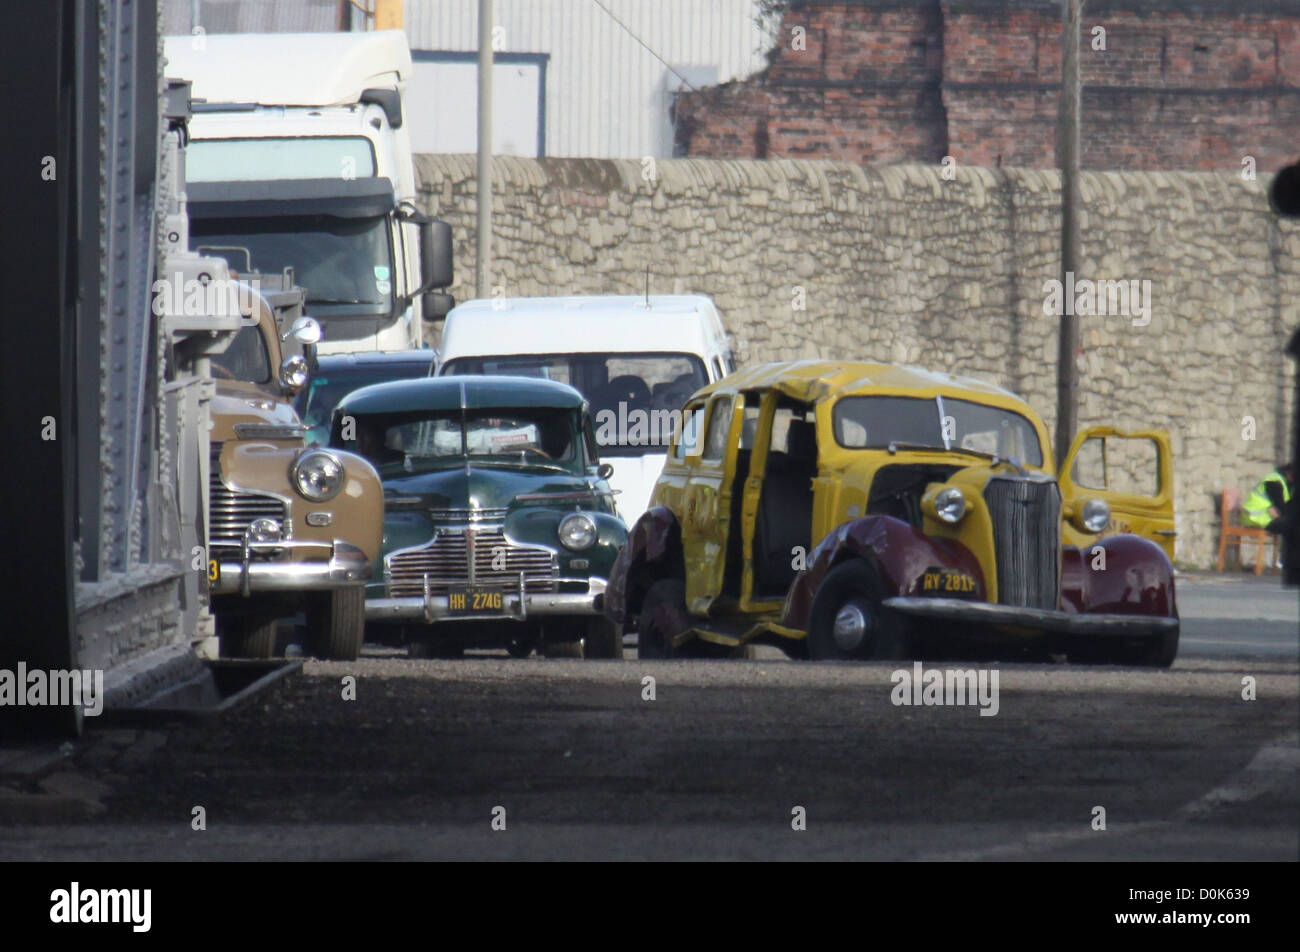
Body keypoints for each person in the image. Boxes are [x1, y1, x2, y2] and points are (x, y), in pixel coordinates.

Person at [1243, 461, 1294, 533]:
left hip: (1265, 516)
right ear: (1289, 473)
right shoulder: (1275, 482)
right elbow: (1282, 507)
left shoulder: (1283, 482)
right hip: (1256, 517)